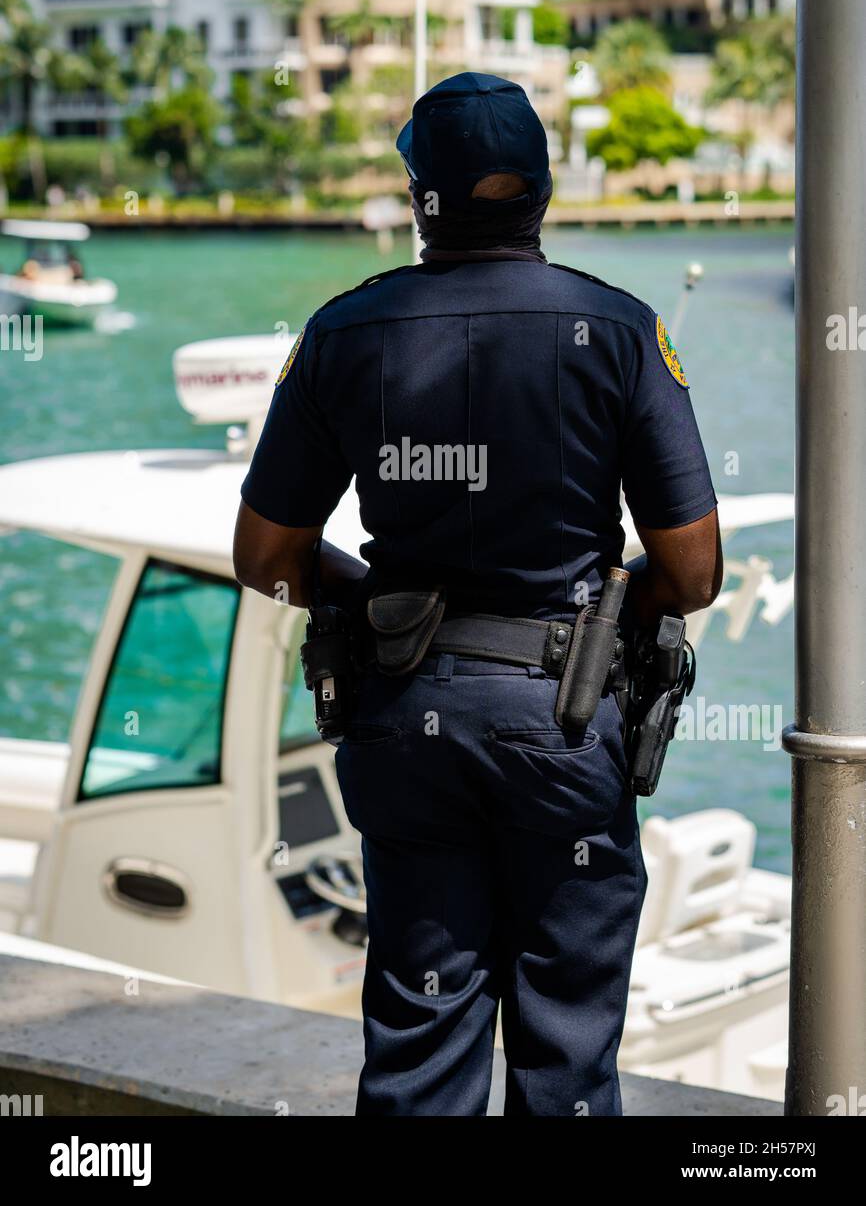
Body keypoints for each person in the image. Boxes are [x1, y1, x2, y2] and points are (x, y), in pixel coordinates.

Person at [233, 71, 723, 1117]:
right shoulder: (622, 330)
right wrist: (602, 615)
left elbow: (268, 553)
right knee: (567, 1058)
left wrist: (376, 595)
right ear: (542, 191)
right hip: (565, 720)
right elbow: (690, 574)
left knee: (418, 1048)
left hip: (406, 725)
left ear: (420, 196)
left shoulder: (340, 333)